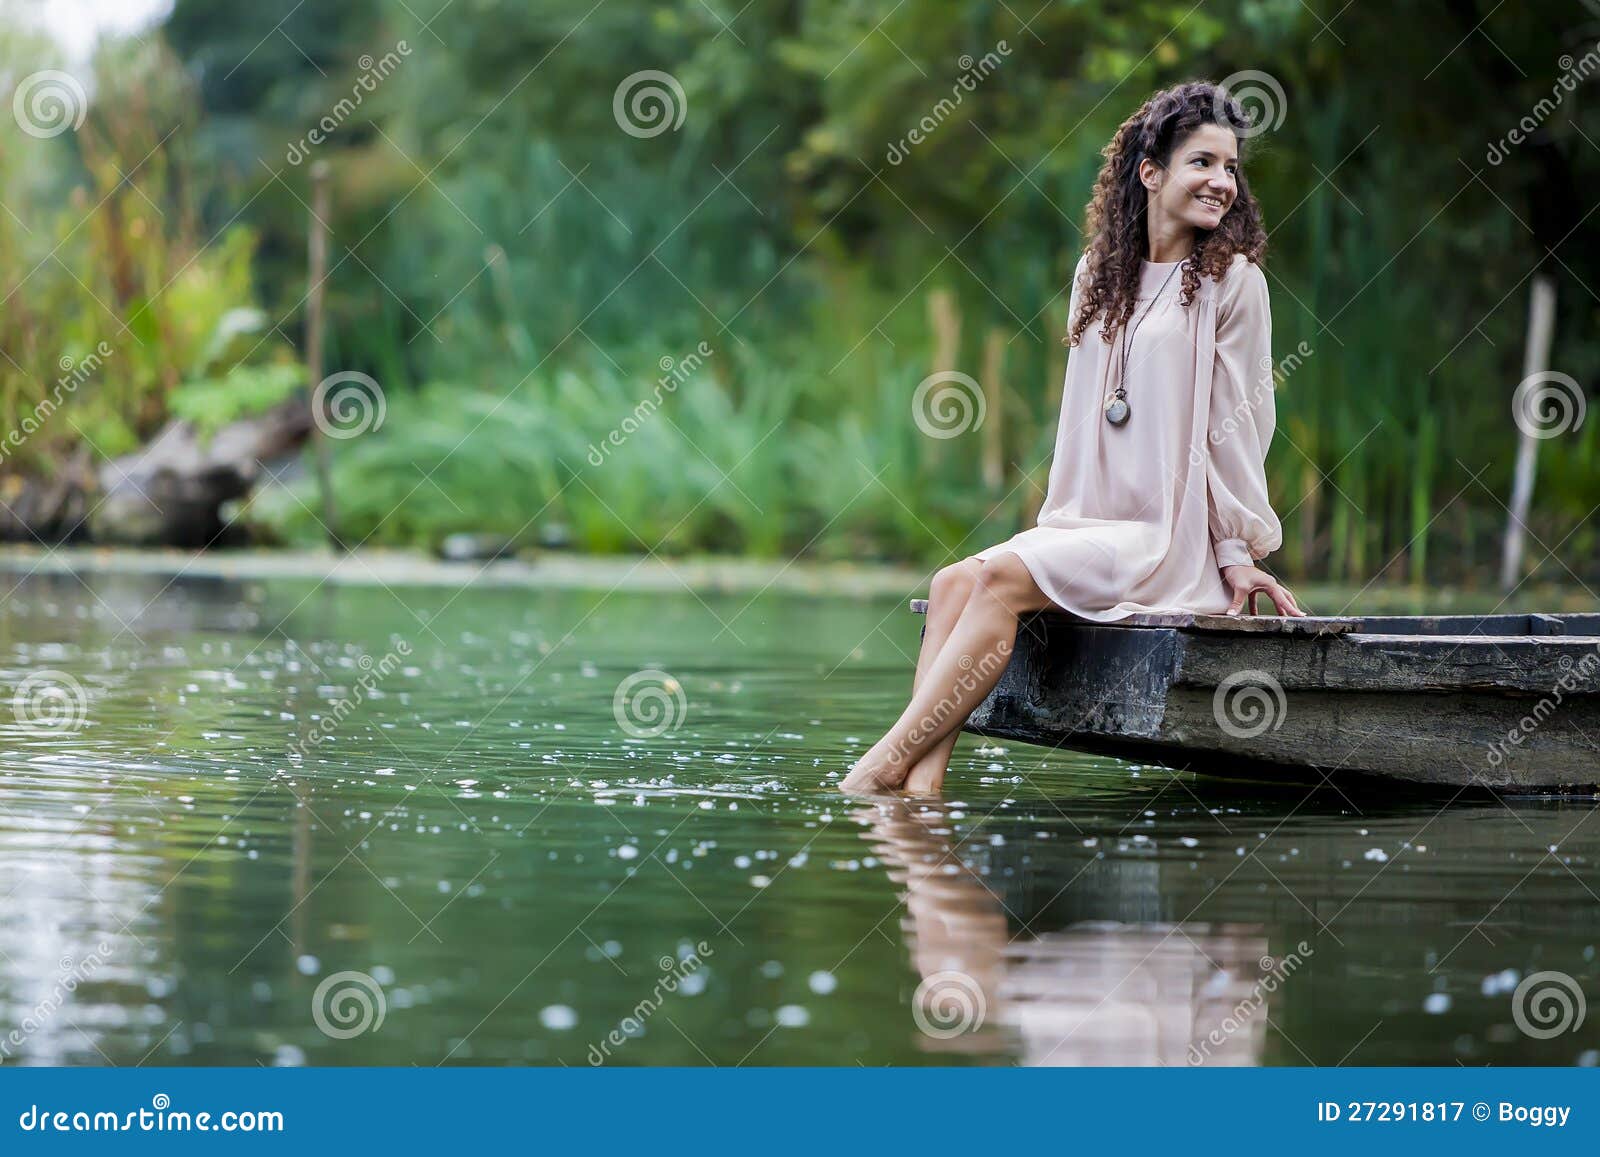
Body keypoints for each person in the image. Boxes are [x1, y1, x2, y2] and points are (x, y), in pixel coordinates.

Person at [841, 80, 1307, 796]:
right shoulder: (1100, 273)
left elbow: (1237, 425)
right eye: (1203, 163)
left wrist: (1236, 549)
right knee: (949, 583)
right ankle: (922, 785)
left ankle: (877, 768)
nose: (1223, 183)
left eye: (1231, 169)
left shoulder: (1232, 280)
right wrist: (1057, 527)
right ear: (1150, 170)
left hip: (1162, 540)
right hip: (1091, 521)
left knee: (994, 582)